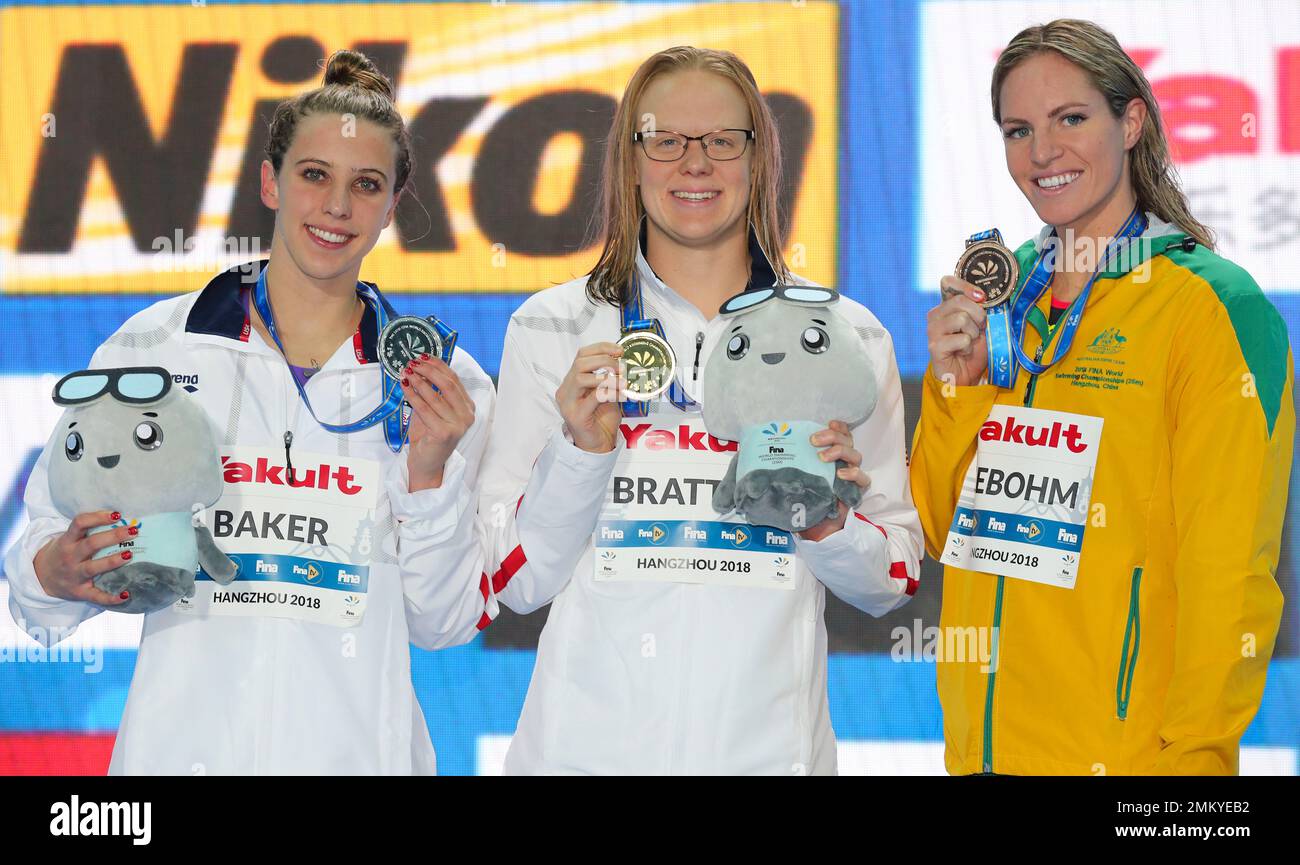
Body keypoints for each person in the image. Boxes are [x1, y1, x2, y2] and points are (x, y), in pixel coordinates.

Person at [4, 50, 498, 774]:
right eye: (313, 175)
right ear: (270, 180)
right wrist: (54, 568)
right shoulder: (154, 347)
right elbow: (36, 589)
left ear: (392, 206)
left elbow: (443, 621)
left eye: (366, 185)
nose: (336, 207)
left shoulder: (441, 383)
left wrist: (428, 478)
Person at [478, 46, 922, 775]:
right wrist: (579, 454)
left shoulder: (846, 336)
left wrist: (826, 517)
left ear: (760, 160)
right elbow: (512, 579)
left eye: (723, 141)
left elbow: (893, 580)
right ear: (631, 159)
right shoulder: (554, 326)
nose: (695, 164)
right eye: (666, 140)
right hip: (582, 756)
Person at [911, 19, 1293, 775]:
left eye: (1071, 119)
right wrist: (954, 390)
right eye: (1018, 130)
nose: (1043, 152)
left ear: (1132, 121)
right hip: (981, 754)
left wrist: (1192, 772)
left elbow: (1229, 575)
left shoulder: (1212, 308)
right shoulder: (1001, 295)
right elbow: (941, 528)